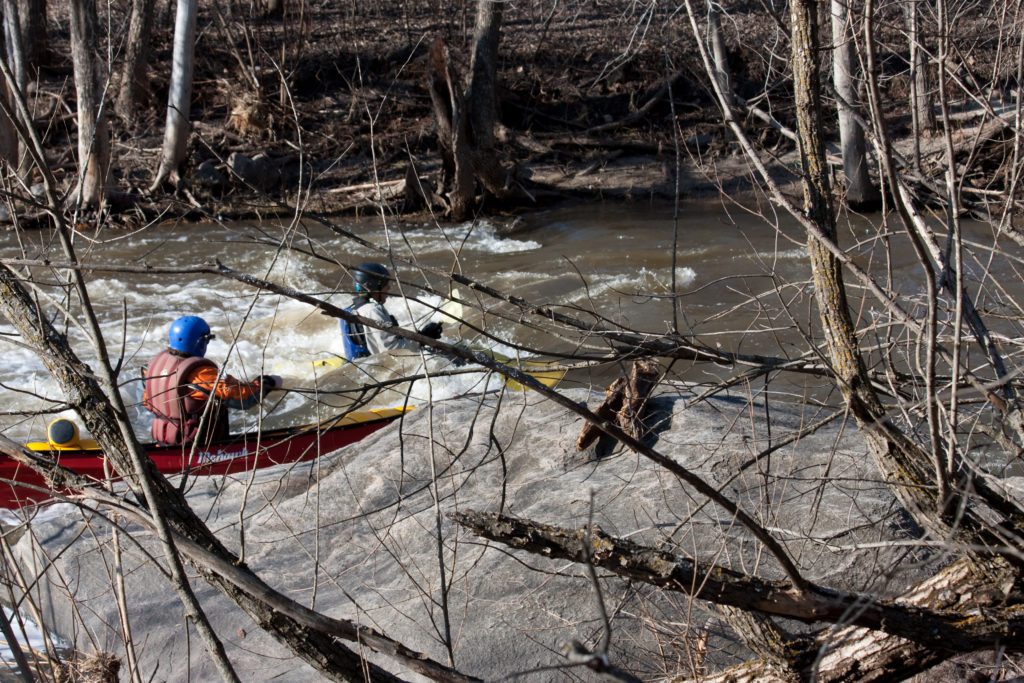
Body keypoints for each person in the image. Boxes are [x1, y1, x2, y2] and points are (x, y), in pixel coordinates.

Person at [142, 316, 282, 447]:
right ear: (200, 342)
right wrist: (267, 382)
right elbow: (244, 399)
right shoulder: (201, 374)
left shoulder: (153, 366)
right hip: (195, 448)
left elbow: (147, 402)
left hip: (163, 442)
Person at [340, 262, 443, 361]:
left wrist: (420, 334)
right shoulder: (373, 311)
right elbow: (392, 350)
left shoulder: (348, 310)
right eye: (385, 284)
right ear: (373, 286)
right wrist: (423, 339)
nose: (389, 287)